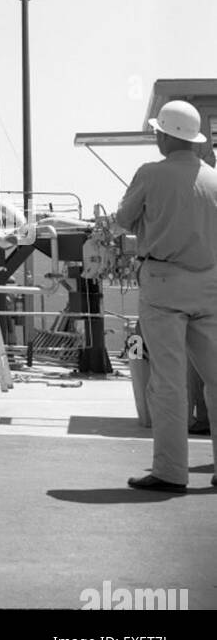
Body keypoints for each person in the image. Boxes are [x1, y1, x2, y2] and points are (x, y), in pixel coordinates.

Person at [114, 100, 217, 492]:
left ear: (165, 136)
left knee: (169, 381)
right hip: (211, 285)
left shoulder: (150, 174)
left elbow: (124, 219)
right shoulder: (213, 179)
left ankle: (171, 472)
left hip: (164, 284)